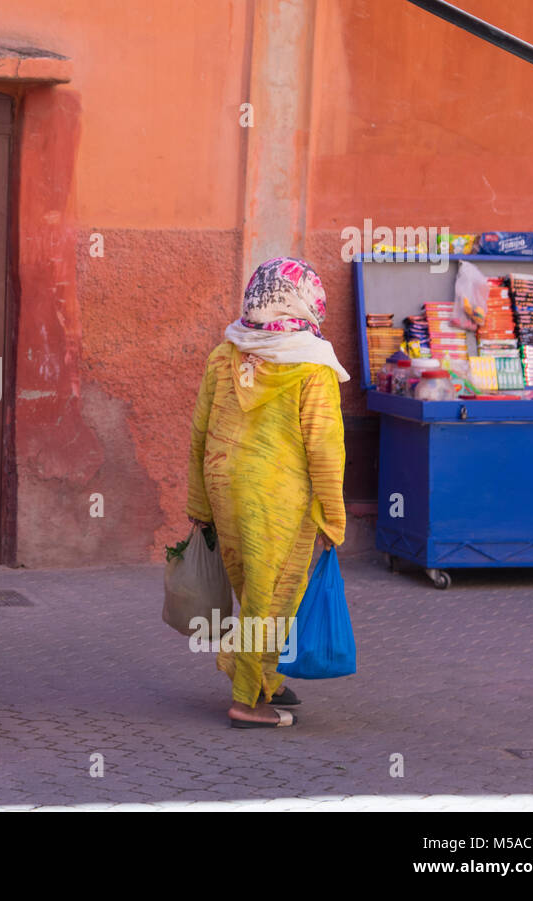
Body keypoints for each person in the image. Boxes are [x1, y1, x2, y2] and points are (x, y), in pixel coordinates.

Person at [185, 257, 348, 728]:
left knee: (251, 588)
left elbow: (199, 433)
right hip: (277, 498)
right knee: (272, 598)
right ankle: (245, 700)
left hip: (224, 486)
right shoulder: (312, 368)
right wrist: (333, 520)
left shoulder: (226, 353)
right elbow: (324, 449)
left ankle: (266, 678)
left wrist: (199, 502)